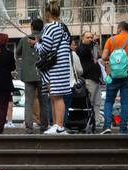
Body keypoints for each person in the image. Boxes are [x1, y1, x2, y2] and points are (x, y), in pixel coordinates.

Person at [101, 21, 128, 134]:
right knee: (125, 103)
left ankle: (107, 126)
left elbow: (104, 57)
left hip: (113, 75)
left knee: (109, 101)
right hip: (127, 75)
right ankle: (123, 129)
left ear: (119, 29)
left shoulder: (110, 40)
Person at [39, 1, 73, 134]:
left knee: (56, 96)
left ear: (48, 13)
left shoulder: (50, 27)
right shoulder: (62, 27)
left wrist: (35, 44)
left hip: (55, 66)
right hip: (61, 64)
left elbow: (45, 48)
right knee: (54, 95)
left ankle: (58, 125)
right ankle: (56, 125)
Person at [14, 19, 47, 133]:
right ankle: (44, 126)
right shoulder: (45, 39)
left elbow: (17, 53)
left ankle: (29, 128)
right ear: (42, 28)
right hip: (43, 75)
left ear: (32, 27)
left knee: (29, 102)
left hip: (28, 75)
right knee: (44, 102)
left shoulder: (24, 40)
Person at [77, 30, 104, 130]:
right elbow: (84, 53)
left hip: (96, 79)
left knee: (97, 102)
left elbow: (100, 56)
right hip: (88, 79)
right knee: (90, 102)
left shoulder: (93, 48)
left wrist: (96, 45)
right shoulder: (82, 48)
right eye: (87, 37)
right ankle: (88, 122)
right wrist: (92, 43)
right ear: (82, 38)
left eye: (91, 37)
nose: (90, 39)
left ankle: (96, 121)